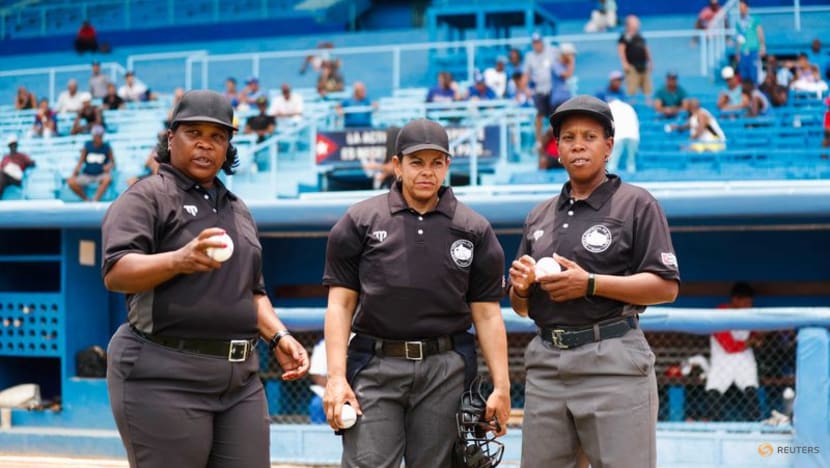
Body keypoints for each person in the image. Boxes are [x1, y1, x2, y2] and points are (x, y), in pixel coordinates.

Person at [101, 90, 310, 468]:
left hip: (240, 380)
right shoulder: (147, 196)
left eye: (217, 137)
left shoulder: (237, 209)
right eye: (193, 132)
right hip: (163, 374)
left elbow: (253, 291)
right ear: (170, 138)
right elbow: (117, 272)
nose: (205, 145)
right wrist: (179, 260)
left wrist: (280, 336)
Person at [322, 118, 510, 468]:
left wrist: (501, 386)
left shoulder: (473, 228)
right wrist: (335, 377)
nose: (427, 171)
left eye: (436, 162)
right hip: (376, 363)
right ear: (397, 165)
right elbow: (340, 304)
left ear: (447, 165)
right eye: (417, 162)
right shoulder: (361, 220)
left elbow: (487, 313)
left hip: (445, 368)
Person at [507, 95, 679, 468]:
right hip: (547, 363)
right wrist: (520, 288)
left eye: (589, 136)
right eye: (568, 137)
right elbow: (521, 309)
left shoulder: (636, 203)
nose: (578, 145)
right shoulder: (539, 216)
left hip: (612, 358)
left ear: (609, 147)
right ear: (558, 149)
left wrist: (590, 284)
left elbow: (666, 287)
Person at [705, 282, 761, 422]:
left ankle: (754, 426)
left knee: (750, 387)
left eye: (750, 302)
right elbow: (729, 346)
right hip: (722, 359)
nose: (749, 305)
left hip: (744, 358)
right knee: (714, 389)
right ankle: (716, 425)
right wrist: (751, 342)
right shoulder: (720, 313)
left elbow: (756, 334)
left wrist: (757, 338)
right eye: (746, 302)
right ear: (735, 300)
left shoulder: (749, 314)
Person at [523, 32, 557, 150]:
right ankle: (539, 141)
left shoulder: (552, 51)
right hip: (539, 90)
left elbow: (563, 60)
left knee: (556, 116)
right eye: (535, 43)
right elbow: (526, 74)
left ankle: (552, 139)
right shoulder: (529, 56)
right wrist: (525, 89)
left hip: (553, 89)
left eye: (538, 42)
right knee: (539, 115)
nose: (537, 45)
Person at [67, 125, 114, 202]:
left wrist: (109, 166)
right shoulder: (87, 145)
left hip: (100, 174)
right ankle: (86, 199)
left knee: (107, 179)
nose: (99, 138)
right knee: (70, 181)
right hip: (87, 174)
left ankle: (96, 199)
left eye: (100, 136)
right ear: (93, 136)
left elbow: (112, 162)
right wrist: (74, 173)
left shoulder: (107, 147)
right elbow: (80, 161)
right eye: (97, 136)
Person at [618, 15, 653, 100]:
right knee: (632, 89)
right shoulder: (625, 37)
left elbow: (645, 49)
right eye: (635, 22)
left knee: (647, 88)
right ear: (629, 24)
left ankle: (648, 104)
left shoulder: (640, 36)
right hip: (632, 66)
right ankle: (632, 103)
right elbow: (621, 50)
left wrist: (650, 61)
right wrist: (624, 63)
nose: (637, 24)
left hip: (643, 65)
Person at [735, 0, 766, 85]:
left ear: (747, 8)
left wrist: (762, 46)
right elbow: (738, 37)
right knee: (744, 74)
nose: (741, 10)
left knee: (754, 73)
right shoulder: (738, 22)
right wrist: (737, 52)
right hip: (743, 50)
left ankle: (754, 91)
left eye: (743, 7)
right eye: (739, 8)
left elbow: (760, 32)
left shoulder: (754, 19)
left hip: (753, 50)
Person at [607, 98, 639, 173]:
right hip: (633, 135)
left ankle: (610, 174)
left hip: (619, 135)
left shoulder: (609, 107)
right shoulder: (628, 107)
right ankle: (632, 172)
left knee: (613, 160)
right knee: (631, 161)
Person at [0, 135, 36, 199]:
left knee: (1, 176)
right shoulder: (5, 157)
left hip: (16, 179)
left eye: (14, 145)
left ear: (17, 146)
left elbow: (32, 163)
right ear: (9, 146)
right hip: (5, 178)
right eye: (11, 145)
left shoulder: (22, 156)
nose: (13, 147)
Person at [308, 339, 327, 424]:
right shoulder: (322, 345)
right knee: (317, 404)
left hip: (355, 389)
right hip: (327, 391)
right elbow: (316, 376)